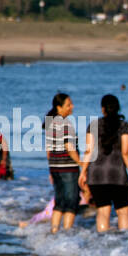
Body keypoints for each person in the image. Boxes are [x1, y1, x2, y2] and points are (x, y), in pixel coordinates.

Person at [82, 94, 128, 232]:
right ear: (118, 108)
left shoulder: (93, 125)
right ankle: (124, 245)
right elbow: (126, 152)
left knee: (103, 212)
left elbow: (89, 151)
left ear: (103, 109)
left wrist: (82, 172)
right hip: (118, 174)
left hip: (96, 175)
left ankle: (102, 244)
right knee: (123, 212)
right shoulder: (124, 125)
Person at [44, 93, 81, 232]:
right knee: (71, 203)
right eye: (69, 105)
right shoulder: (65, 124)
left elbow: (48, 149)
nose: (72, 106)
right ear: (59, 107)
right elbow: (69, 147)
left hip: (55, 167)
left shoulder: (50, 123)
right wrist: (81, 163)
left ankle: (54, 231)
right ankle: (66, 234)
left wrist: (50, 169)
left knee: (59, 202)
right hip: (68, 168)